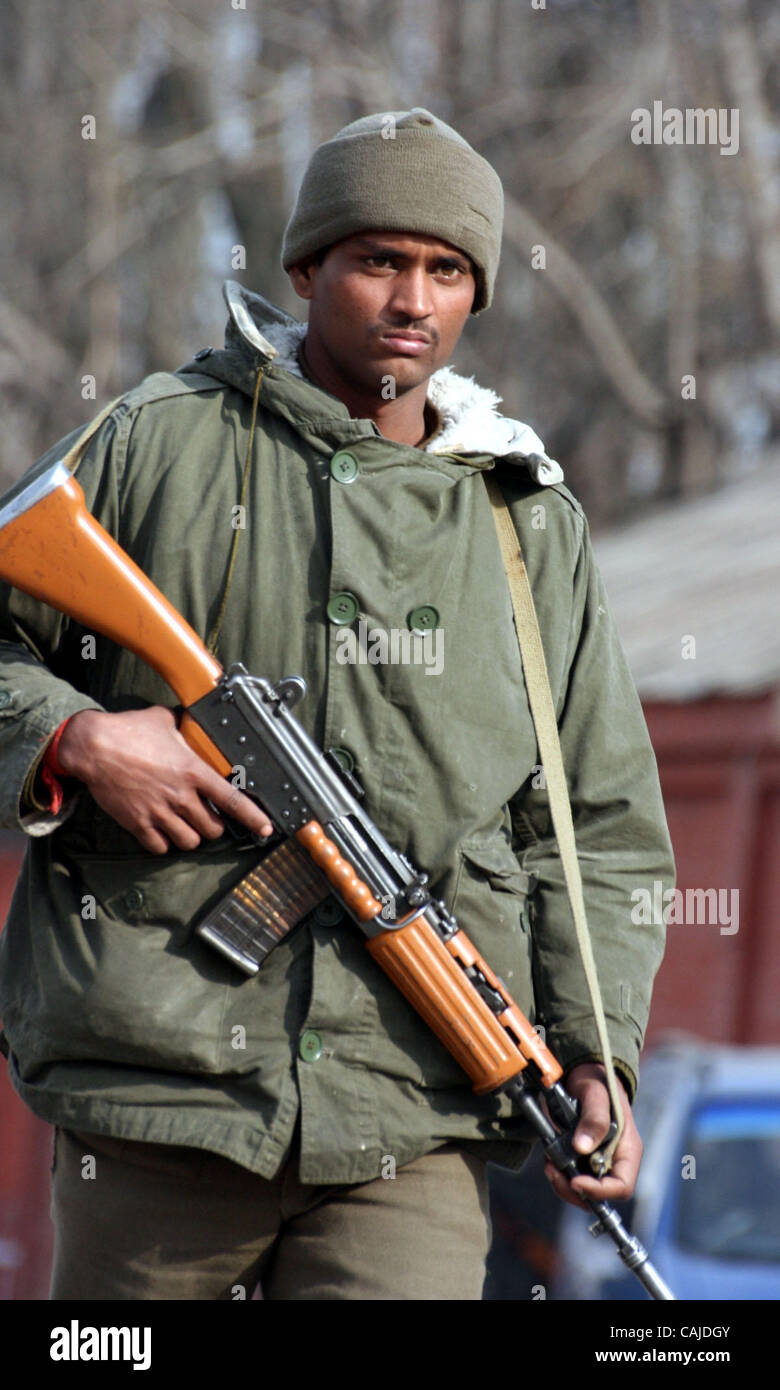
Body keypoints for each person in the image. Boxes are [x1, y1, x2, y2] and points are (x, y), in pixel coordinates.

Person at [0, 108, 674, 1300]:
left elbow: (595, 831)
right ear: (307, 269)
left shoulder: (524, 524)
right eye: (378, 260)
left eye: (448, 269)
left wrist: (598, 1052)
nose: (413, 298)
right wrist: (75, 734)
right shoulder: (153, 444)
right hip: (164, 1093)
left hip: (413, 1104)